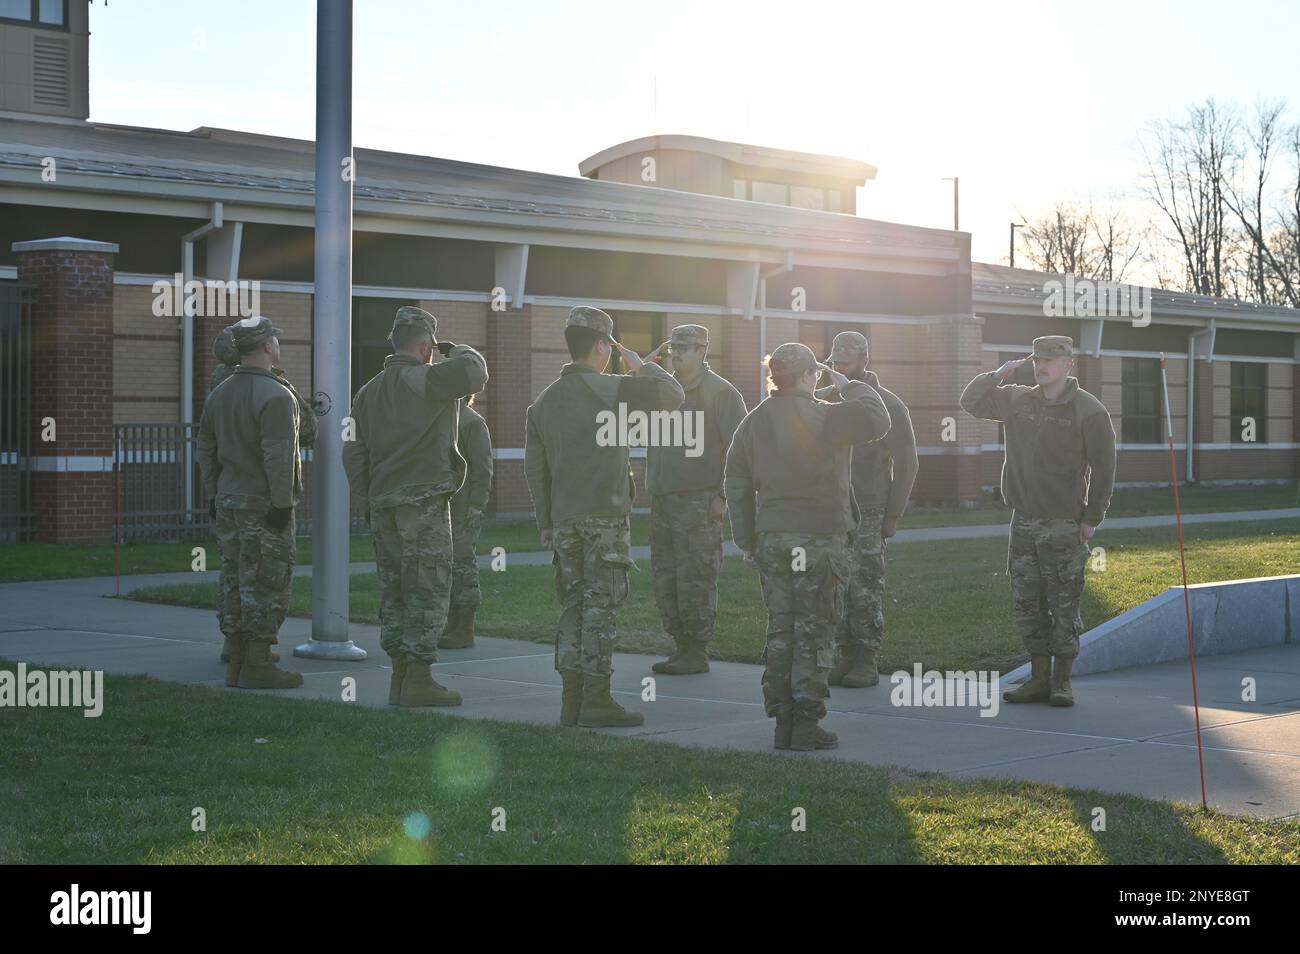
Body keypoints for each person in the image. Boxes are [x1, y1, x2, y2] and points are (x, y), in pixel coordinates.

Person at [724, 342, 891, 750]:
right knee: (815, 632)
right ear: (806, 376)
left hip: (774, 538)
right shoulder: (828, 417)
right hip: (819, 540)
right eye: (815, 372)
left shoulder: (754, 421)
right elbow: (878, 420)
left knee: (782, 629)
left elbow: (736, 483)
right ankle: (806, 725)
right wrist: (850, 386)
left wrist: (746, 539)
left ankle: (782, 721)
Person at [525, 306, 684, 727]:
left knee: (574, 607)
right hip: (604, 520)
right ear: (601, 347)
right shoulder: (611, 388)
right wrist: (640, 366)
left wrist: (545, 522)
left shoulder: (542, 403)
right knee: (600, 609)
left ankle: (572, 701)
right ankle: (596, 700)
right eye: (610, 350)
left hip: (563, 521)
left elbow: (534, 471)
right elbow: (674, 396)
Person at [341, 306, 488, 707]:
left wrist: (367, 496)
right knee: (428, 586)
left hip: (384, 502)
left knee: (395, 590)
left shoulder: (367, 392)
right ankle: (419, 679)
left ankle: (401, 677)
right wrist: (457, 350)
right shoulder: (426, 379)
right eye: (432, 348)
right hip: (422, 501)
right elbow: (476, 372)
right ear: (426, 347)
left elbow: (353, 452)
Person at [959, 335, 1116, 707]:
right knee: (1027, 603)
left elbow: (1105, 468)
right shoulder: (1017, 398)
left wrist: (1092, 517)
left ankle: (1062, 682)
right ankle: (1038, 678)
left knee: (1064, 603)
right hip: (1023, 521)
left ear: (1068, 365)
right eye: (1037, 360)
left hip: (1064, 522)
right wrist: (997, 374)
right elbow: (970, 402)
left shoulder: (1088, 410)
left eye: (1050, 360)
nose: (1041, 366)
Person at [196, 315, 305, 690]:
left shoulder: (219, 393)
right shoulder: (277, 395)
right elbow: (278, 454)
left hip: (228, 500)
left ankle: (238, 659)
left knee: (234, 577)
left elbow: (205, 450)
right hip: (263, 504)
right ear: (267, 347)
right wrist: (281, 504)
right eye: (275, 340)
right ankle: (257, 663)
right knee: (267, 580)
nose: (278, 345)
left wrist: (213, 494)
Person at [815, 331, 918, 688]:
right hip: (830, 509)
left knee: (864, 586)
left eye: (846, 360)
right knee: (835, 585)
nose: (838, 366)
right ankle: (845, 655)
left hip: (869, 511)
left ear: (864, 361)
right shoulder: (825, 401)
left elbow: (907, 463)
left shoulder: (887, 405)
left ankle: (866, 659)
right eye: (835, 360)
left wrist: (893, 515)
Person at [645, 323, 747, 675]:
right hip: (662, 499)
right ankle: (680, 645)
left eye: (685, 348)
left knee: (696, 577)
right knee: (666, 577)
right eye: (673, 346)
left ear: (702, 351)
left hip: (699, 501)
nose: (676, 353)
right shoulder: (661, 390)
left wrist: (723, 496)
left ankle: (696, 649)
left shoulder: (720, 392)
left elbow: (739, 451)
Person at [439, 390, 493, 649]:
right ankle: (450, 622)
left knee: (463, 564)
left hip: (464, 507)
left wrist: (477, 503)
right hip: (443, 504)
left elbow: (483, 465)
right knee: (446, 565)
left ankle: (464, 627)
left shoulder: (472, 422)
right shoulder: (443, 417)